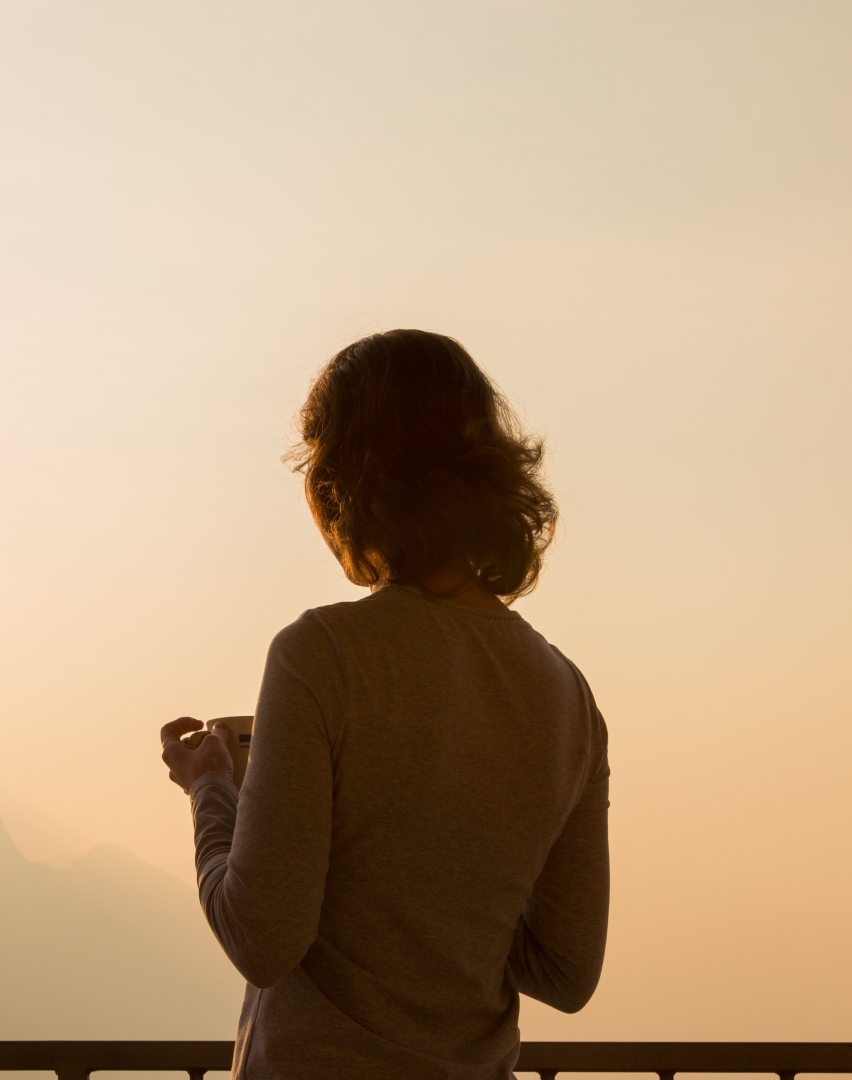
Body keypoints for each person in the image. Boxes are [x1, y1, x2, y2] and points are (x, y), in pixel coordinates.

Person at [160, 330, 609, 1080]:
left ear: (346, 479)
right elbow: (567, 973)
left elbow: (262, 940)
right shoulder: (566, 694)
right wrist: (452, 899)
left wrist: (210, 788)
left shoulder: (322, 655)